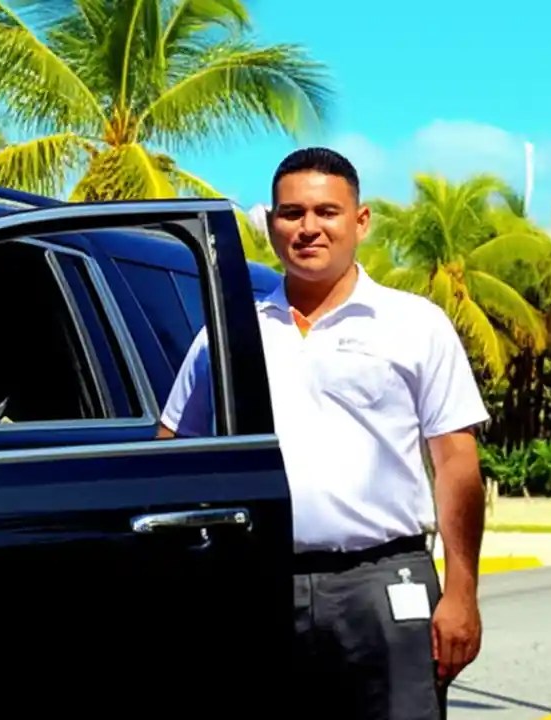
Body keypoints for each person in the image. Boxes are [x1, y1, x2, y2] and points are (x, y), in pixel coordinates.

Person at [158, 147, 489, 719]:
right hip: (255, 583)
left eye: (326, 212)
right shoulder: (228, 333)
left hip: (384, 583)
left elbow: (457, 464)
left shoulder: (415, 325)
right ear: (271, 225)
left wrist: (462, 592)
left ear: (360, 221)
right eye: (291, 213)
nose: (308, 227)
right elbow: (172, 451)